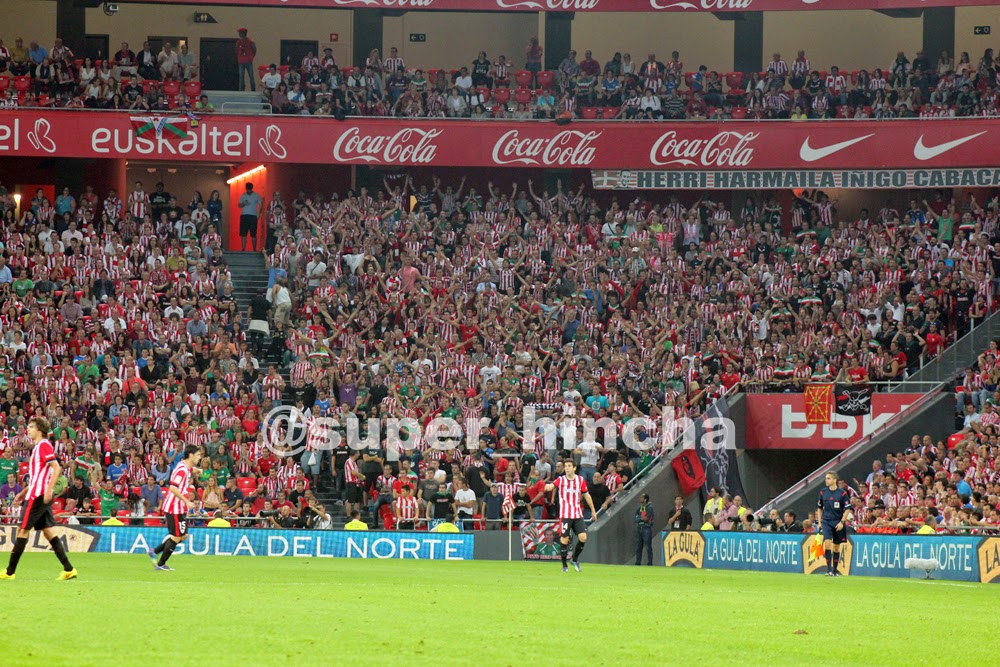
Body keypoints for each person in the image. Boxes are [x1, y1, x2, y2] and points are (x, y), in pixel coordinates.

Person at [1, 416, 78, 581]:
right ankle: (69, 569)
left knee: (22, 530)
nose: (28, 429)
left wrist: (49, 489)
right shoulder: (38, 448)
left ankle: (9, 572)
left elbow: (56, 467)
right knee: (48, 531)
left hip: (38, 496)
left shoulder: (43, 445)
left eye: (31, 427)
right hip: (37, 493)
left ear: (40, 430)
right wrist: (22, 493)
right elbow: (38, 477)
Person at [147, 445, 201, 571]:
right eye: (198, 455)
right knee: (177, 536)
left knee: (183, 536)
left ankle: (154, 551)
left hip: (179, 507)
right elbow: (172, 488)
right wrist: (187, 501)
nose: (200, 457)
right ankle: (160, 564)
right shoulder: (182, 470)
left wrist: (196, 470)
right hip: (174, 507)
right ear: (191, 455)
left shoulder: (185, 466)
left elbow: (188, 469)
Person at [544, 460, 598, 573]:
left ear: (574, 468)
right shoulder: (561, 479)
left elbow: (586, 495)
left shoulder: (580, 480)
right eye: (566, 466)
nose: (567, 468)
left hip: (577, 514)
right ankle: (564, 566)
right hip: (565, 515)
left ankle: (574, 559)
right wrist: (548, 487)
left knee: (583, 537)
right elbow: (552, 485)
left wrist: (593, 510)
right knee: (565, 539)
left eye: (569, 466)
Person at [817, 471, 852, 577]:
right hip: (827, 521)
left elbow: (847, 509)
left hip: (838, 522)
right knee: (827, 543)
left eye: (828, 478)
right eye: (826, 478)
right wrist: (820, 522)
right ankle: (828, 570)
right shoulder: (823, 492)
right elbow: (819, 508)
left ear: (834, 480)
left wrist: (842, 522)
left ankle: (835, 570)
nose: (826, 480)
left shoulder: (842, 493)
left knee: (836, 547)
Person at [238, 182, 263, 251]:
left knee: (253, 233)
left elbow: (261, 204)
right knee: (243, 233)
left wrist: (259, 213)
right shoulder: (243, 196)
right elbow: (239, 205)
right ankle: (243, 248)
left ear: (252, 189)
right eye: (247, 189)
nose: (248, 191)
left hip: (253, 216)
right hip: (244, 215)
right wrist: (243, 203)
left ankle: (254, 249)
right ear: (246, 189)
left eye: (249, 189)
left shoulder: (256, 195)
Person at [634, 493, 654, 566]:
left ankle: (650, 562)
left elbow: (647, 518)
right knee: (639, 546)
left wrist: (640, 518)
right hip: (639, 528)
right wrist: (641, 518)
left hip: (646, 528)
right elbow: (636, 519)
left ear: (645, 499)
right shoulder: (640, 508)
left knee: (648, 546)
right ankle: (638, 562)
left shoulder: (649, 507)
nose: (640, 499)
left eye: (642, 498)